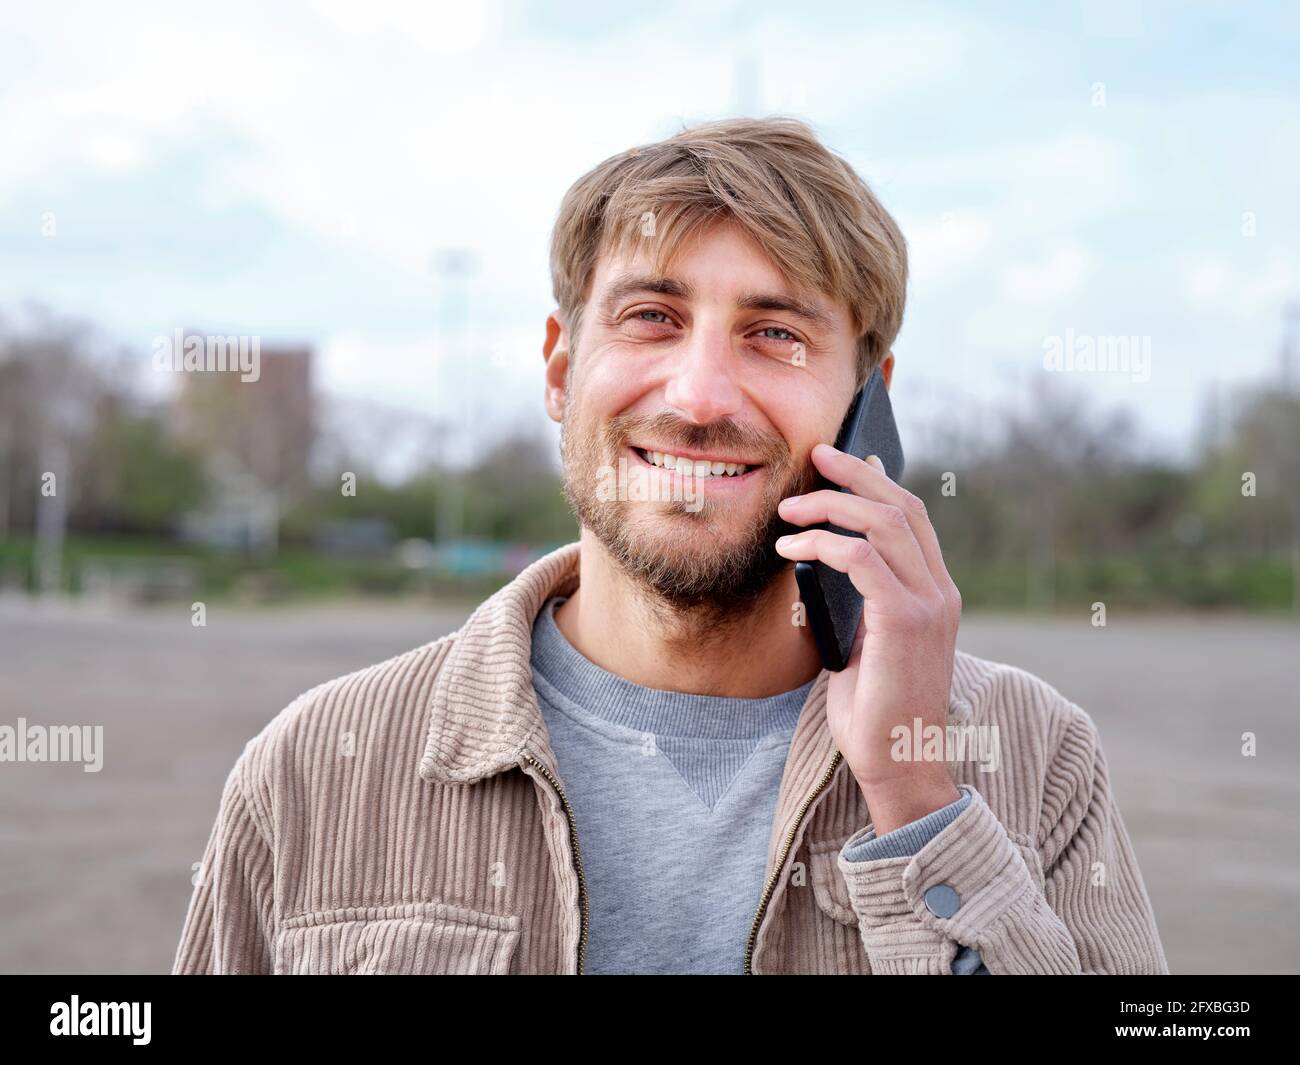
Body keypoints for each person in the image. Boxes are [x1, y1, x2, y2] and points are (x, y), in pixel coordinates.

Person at [173, 115, 1168, 975]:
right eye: (651, 318)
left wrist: (915, 794)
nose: (698, 398)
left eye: (775, 335)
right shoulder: (313, 765)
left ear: (870, 407)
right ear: (561, 372)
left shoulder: (1038, 754)